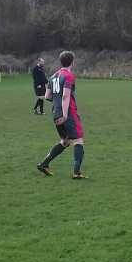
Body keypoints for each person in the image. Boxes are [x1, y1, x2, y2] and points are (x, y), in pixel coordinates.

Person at [37, 50, 87, 179]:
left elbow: (47, 96)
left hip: (56, 113)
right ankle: (76, 173)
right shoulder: (69, 76)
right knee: (78, 140)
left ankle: (44, 164)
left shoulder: (53, 76)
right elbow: (65, 95)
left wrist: (58, 106)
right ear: (72, 63)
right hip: (69, 113)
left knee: (65, 141)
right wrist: (65, 114)